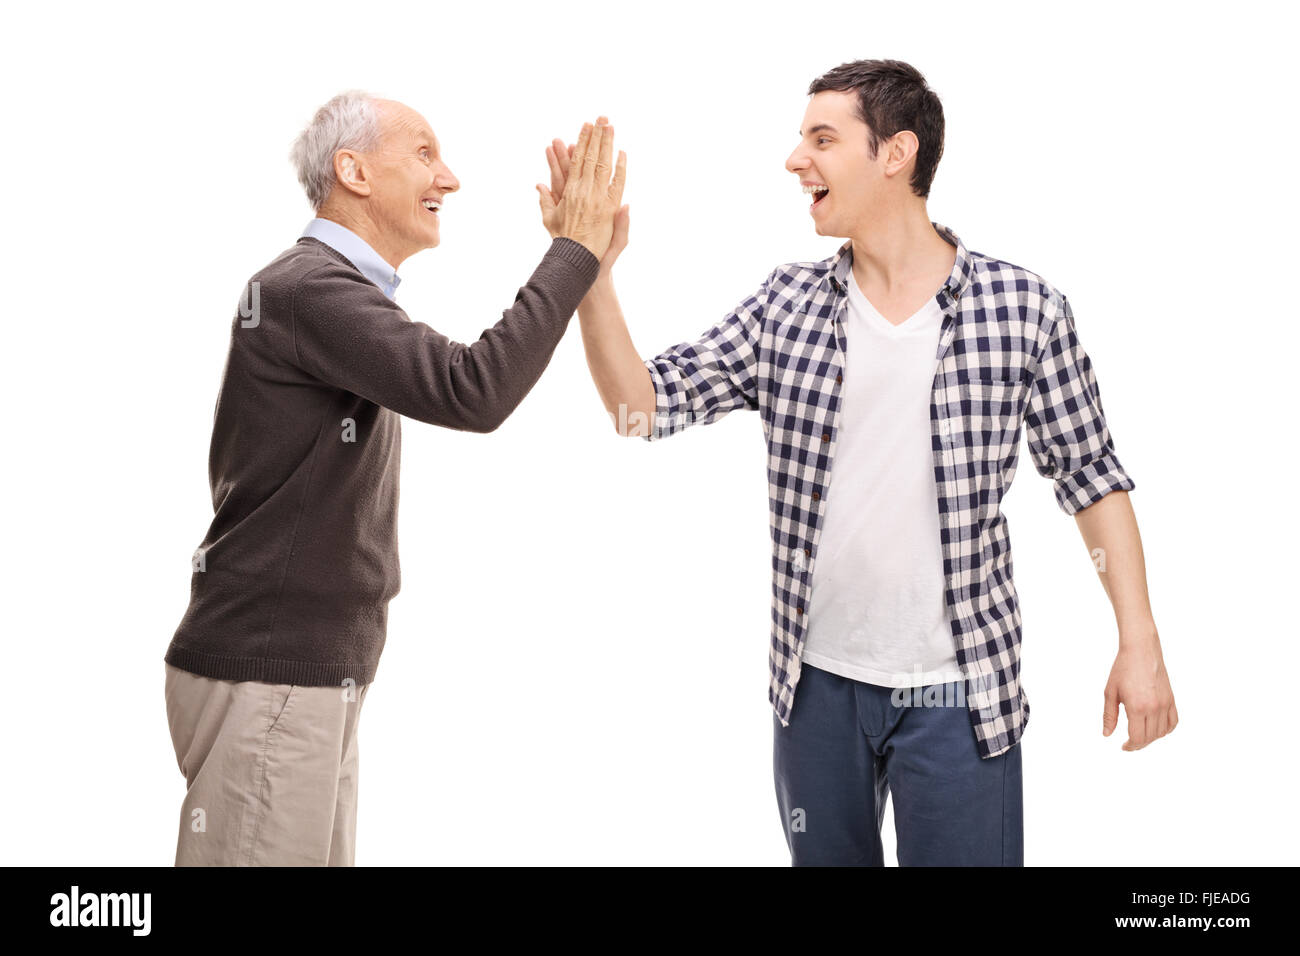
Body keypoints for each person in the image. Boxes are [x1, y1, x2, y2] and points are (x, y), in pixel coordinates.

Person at [559, 60, 1176, 866]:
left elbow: (1090, 476)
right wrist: (593, 275)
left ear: (896, 154)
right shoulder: (786, 304)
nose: (794, 160)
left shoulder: (1024, 310)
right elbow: (640, 408)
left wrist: (1140, 640)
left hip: (960, 695)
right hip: (815, 691)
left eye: (822, 139)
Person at [163, 90, 625, 865]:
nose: (449, 177)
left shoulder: (328, 294)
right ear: (353, 171)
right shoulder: (309, 289)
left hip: (300, 681)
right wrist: (572, 254)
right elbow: (474, 389)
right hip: (274, 684)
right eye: (423, 152)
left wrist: (583, 264)